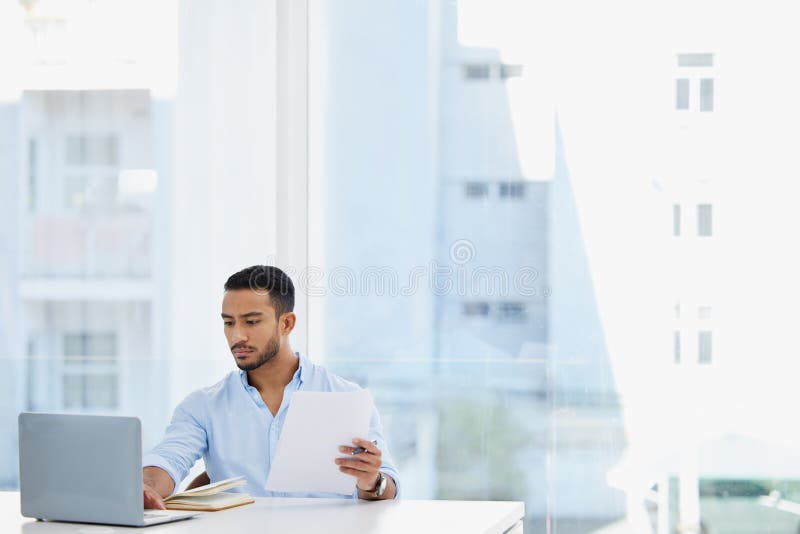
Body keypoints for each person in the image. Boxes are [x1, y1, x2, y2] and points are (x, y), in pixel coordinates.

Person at [141, 265, 399, 509]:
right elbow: (168, 459)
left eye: (251, 322)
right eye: (229, 323)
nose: (237, 336)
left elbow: (389, 487)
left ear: (286, 323)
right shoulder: (202, 406)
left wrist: (372, 481)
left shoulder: (347, 398)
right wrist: (146, 487)